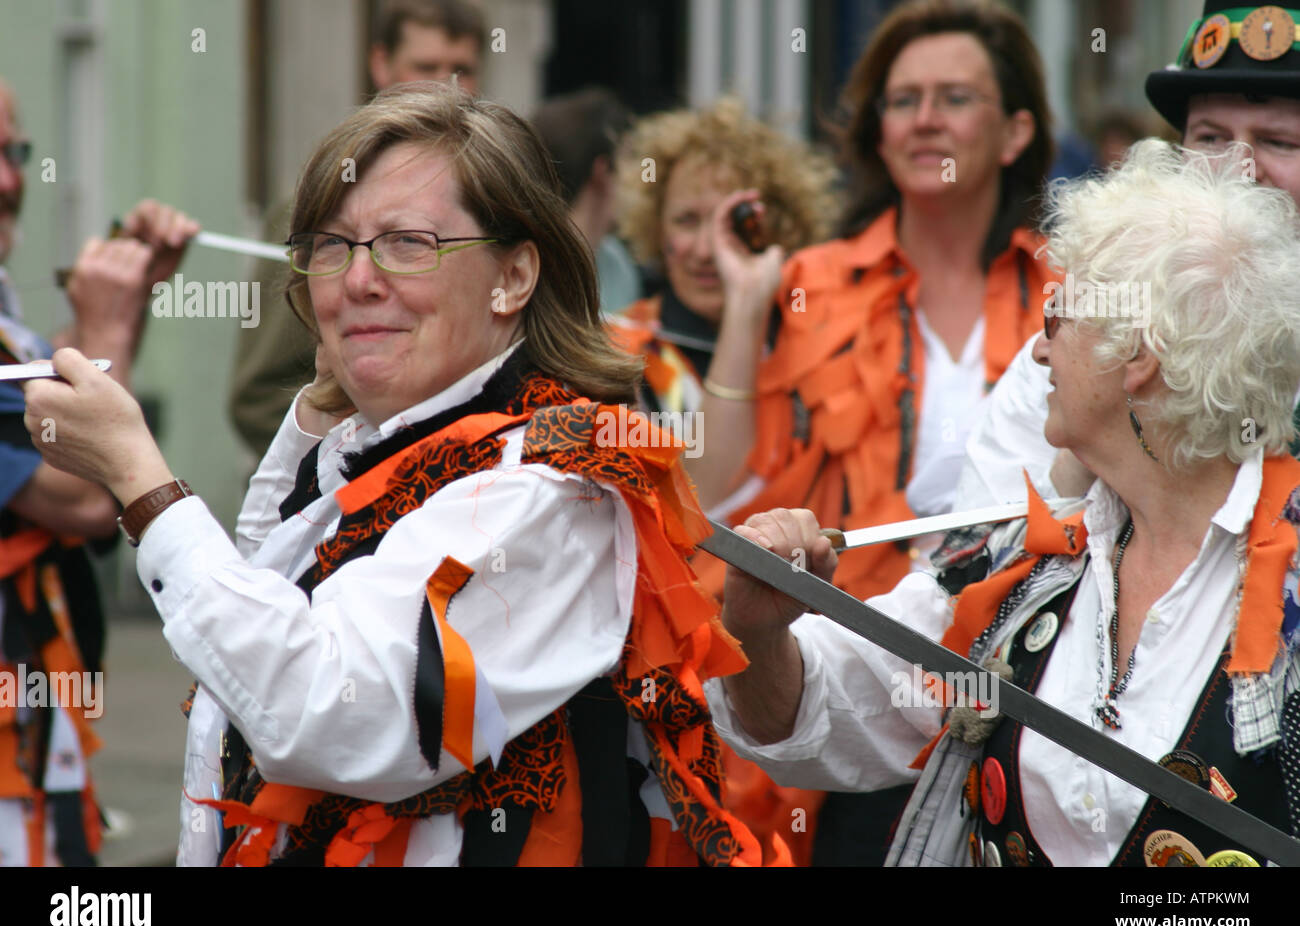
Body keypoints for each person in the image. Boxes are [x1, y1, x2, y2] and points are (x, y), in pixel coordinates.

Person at [24, 85, 770, 867]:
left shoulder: (555, 487)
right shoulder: (389, 443)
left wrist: (138, 477)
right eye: (333, 246)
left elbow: (326, 711)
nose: (357, 280)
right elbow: (264, 601)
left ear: (513, 278)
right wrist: (321, 402)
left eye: (408, 243)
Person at [709, 138, 1300, 866]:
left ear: (1137, 358)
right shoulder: (1019, 555)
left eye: (1059, 318)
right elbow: (829, 717)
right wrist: (761, 636)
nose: (1040, 351)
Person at [704, 0, 1055, 607]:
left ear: (1015, 133)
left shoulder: (1069, 286)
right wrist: (743, 308)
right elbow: (711, 488)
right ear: (881, 132)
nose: (924, 120)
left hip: (1020, 648)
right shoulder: (806, 282)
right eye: (901, 101)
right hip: (832, 641)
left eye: (955, 98)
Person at [955, 0, 1300, 511]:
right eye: (1210, 137)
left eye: (1277, 141)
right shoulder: (1080, 353)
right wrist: (1081, 471)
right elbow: (976, 559)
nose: (1236, 169)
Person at [0, 78, 197, 865]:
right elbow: (81, 494)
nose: (12, 180)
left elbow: (39, 405)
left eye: (15, 152)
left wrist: (131, 297)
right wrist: (111, 322)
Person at [227, 0, 487, 460]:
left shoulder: (489, 204)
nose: (447, 86)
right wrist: (353, 456)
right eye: (426, 66)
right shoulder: (321, 205)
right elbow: (257, 396)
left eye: (460, 69)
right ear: (381, 66)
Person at [611, 97, 836, 512]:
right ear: (656, 227)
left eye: (730, 221)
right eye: (686, 220)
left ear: (776, 226)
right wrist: (745, 312)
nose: (705, 250)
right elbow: (695, 506)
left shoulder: (821, 337)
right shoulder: (612, 353)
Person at [530, 87, 642, 313]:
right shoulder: (532, 265)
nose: (638, 177)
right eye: (629, 159)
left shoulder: (615, 261)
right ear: (602, 171)